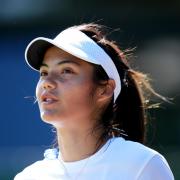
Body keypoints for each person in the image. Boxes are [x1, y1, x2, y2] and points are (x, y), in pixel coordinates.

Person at [14, 23, 174, 180]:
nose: (47, 82)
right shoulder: (29, 176)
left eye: (67, 71)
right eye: (44, 72)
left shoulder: (142, 165)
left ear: (104, 89)